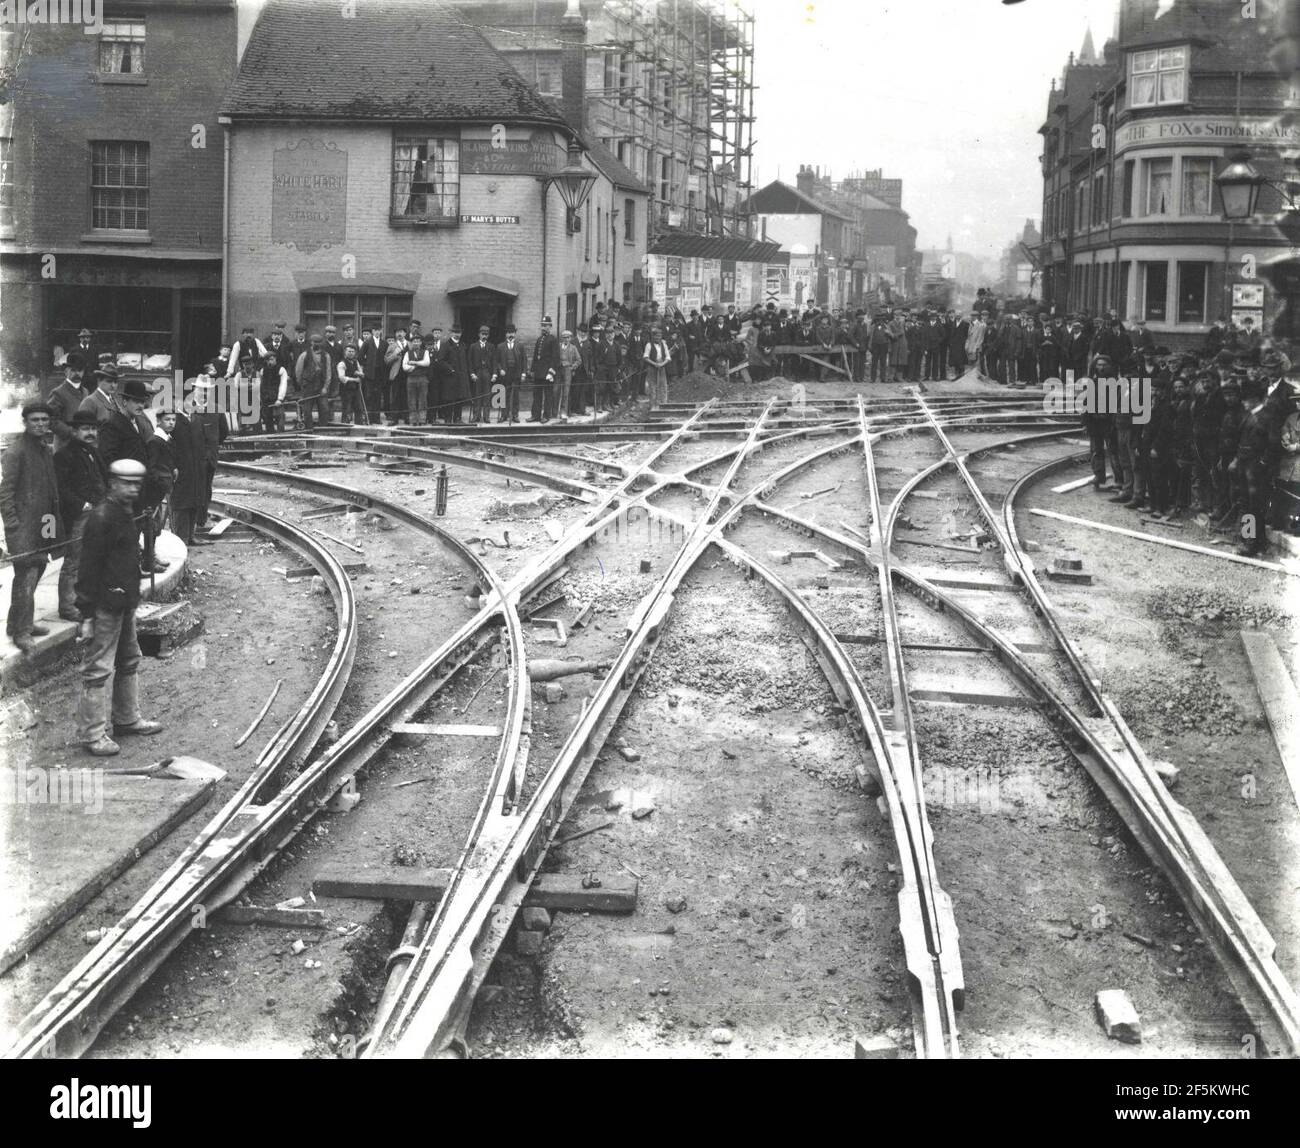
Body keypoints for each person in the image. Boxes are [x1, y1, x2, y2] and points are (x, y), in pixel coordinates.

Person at [73, 459, 163, 756]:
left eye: (137, 483)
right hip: (104, 605)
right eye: (127, 483)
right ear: (113, 483)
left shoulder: (125, 512)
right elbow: (87, 570)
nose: (133, 488)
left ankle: (127, 719)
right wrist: (86, 615)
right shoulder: (101, 518)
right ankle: (92, 735)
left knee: (129, 660)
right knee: (97, 669)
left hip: (124, 603)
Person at [1, 402, 62, 653]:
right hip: (24, 528)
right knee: (25, 575)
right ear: (25, 422)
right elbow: (5, 493)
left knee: (38, 569)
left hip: (45, 523)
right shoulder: (16, 452)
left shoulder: (44, 449)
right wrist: (13, 526)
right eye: (35, 420)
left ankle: (16, 623)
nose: (40, 424)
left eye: (44, 420)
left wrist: (53, 523)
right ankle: (22, 632)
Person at [54, 410, 108, 623]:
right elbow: (60, 488)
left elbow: (103, 478)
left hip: (99, 513)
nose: (90, 433)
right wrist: (82, 504)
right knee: (73, 562)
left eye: (93, 428)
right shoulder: (63, 455)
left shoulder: (94, 453)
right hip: (79, 517)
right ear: (75, 431)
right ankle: (67, 606)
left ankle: (87, 601)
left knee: (94, 559)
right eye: (85, 429)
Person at [48, 352, 90, 445]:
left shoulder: (86, 392)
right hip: (65, 445)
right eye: (73, 370)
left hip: (84, 444)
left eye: (80, 370)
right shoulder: (58, 393)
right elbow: (50, 419)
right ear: (66, 371)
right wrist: (71, 433)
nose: (77, 373)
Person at [296, 335, 334, 429]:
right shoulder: (304, 355)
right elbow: (298, 371)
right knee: (307, 411)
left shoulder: (326, 356)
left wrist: (325, 387)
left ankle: (323, 429)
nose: (316, 344)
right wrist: (303, 385)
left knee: (324, 409)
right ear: (311, 342)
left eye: (319, 342)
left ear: (321, 343)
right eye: (314, 342)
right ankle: (309, 429)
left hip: (321, 387)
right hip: (308, 386)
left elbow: (329, 373)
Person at [495, 324, 528, 423]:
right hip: (505, 374)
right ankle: (504, 415)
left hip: (516, 373)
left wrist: (523, 374)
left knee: (516, 395)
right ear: (506, 334)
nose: (511, 335)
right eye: (509, 333)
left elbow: (524, 361)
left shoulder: (520, 346)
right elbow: (496, 361)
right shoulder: (500, 346)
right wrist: (500, 369)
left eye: (512, 333)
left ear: (515, 333)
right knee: (504, 395)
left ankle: (515, 415)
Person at [530, 316, 560, 423]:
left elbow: (555, 358)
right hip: (538, 373)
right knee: (536, 395)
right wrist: (532, 370)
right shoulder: (539, 339)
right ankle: (535, 415)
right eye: (542, 325)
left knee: (548, 395)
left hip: (547, 373)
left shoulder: (553, 339)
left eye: (545, 325)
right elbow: (535, 356)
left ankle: (546, 416)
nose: (543, 327)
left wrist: (551, 372)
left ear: (550, 326)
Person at [439, 325, 470, 425]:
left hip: (460, 378)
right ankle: (448, 419)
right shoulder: (446, 345)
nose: (457, 334)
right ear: (451, 333)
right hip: (450, 378)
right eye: (455, 332)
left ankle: (457, 418)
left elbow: (465, 361)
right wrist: (450, 370)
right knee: (449, 399)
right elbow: (441, 361)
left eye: (459, 332)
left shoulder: (463, 345)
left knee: (459, 398)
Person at [467, 325, 497, 424]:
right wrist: (472, 373)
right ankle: (476, 416)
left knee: (487, 396)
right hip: (477, 373)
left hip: (487, 373)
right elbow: (470, 361)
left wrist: (494, 374)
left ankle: (486, 416)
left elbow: (494, 361)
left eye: (486, 334)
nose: (484, 336)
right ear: (479, 334)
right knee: (477, 395)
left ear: (488, 336)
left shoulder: (491, 346)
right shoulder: (473, 346)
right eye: (482, 334)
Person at [403, 334, 432, 426]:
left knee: (423, 399)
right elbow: (404, 367)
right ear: (411, 343)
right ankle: (413, 420)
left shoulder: (425, 352)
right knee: (411, 399)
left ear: (421, 342)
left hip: (423, 378)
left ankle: (422, 420)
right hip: (411, 378)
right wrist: (417, 366)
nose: (416, 343)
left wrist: (414, 363)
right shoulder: (408, 353)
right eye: (414, 341)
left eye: (418, 341)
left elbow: (427, 363)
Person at [260, 350, 290, 433]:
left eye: (272, 359)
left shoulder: (281, 370)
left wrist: (280, 398)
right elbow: (262, 385)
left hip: (277, 397)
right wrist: (262, 398)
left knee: (280, 417)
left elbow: (283, 384)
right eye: (268, 360)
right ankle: (270, 435)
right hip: (266, 398)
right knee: (267, 418)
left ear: (275, 359)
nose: (270, 361)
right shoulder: (263, 371)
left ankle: (281, 435)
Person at [643, 325, 671, 409]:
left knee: (663, 386)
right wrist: (654, 364)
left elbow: (668, 357)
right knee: (653, 387)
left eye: (659, 336)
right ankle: (653, 406)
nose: (658, 338)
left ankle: (663, 405)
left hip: (662, 367)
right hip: (652, 367)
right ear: (653, 336)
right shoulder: (649, 345)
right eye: (656, 336)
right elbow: (645, 357)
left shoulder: (664, 344)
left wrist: (662, 364)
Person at [335, 343, 365, 424]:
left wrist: (359, 374)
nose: (351, 353)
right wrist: (355, 379)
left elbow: (361, 373)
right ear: (345, 352)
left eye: (352, 351)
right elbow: (342, 378)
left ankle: (359, 425)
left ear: (355, 353)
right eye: (349, 351)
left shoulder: (356, 362)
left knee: (359, 408)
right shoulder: (341, 364)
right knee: (347, 409)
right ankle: (345, 426)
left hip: (356, 389)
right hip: (346, 390)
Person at [557, 329, 581, 421]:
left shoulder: (573, 348)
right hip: (558, 370)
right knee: (556, 390)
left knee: (566, 392)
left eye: (568, 337)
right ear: (562, 338)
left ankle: (563, 412)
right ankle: (554, 411)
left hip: (568, 370)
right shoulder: (558, 346)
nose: (566, 339)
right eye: (564, 337)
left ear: (570, 338)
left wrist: (572, 367)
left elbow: (579, 360)